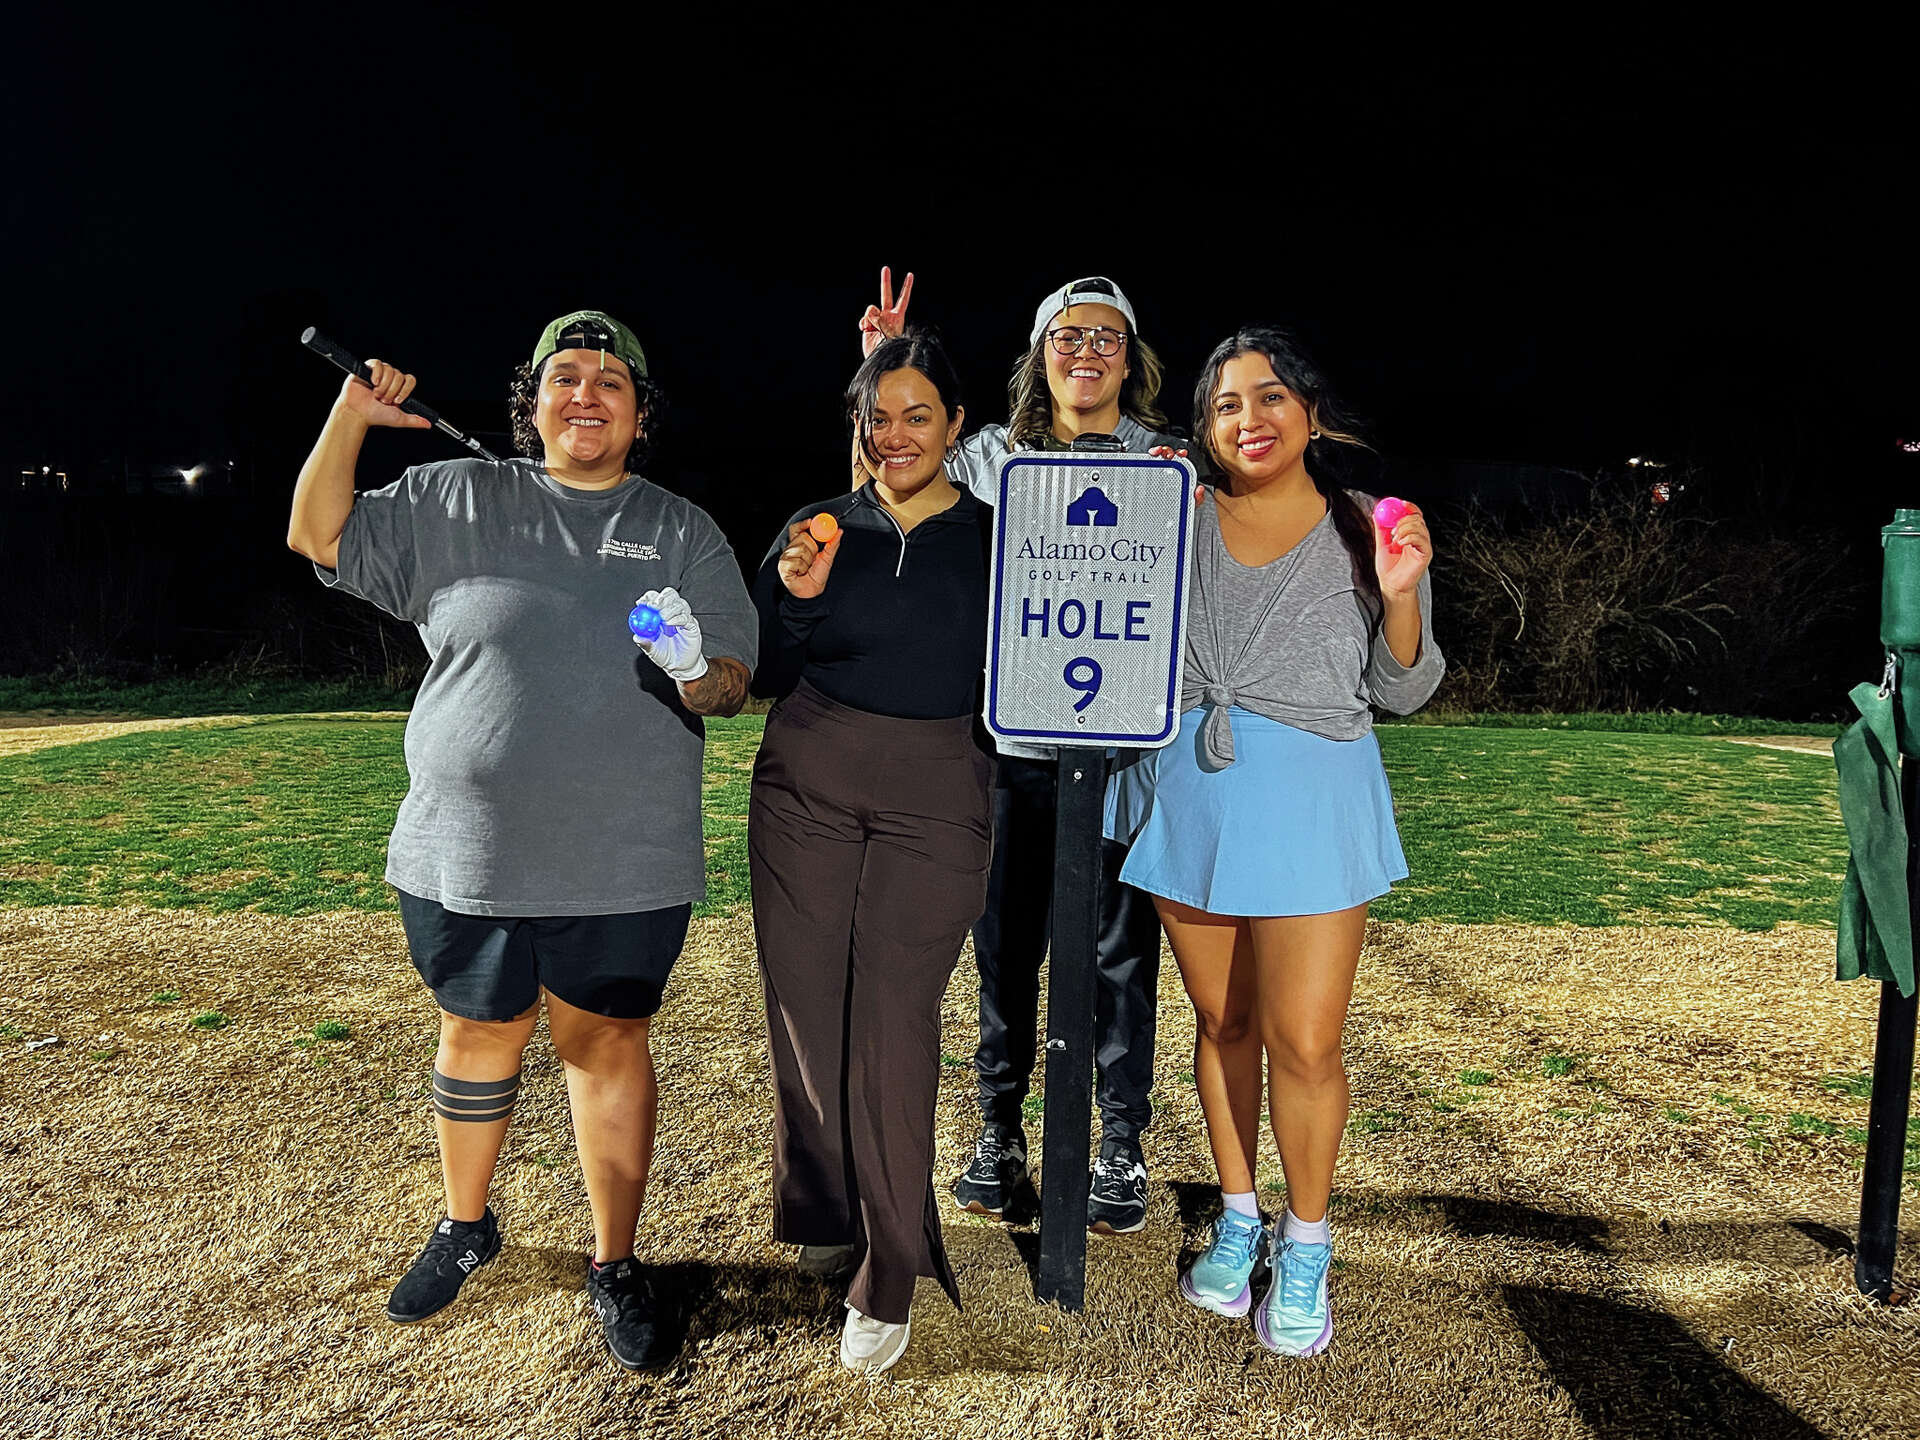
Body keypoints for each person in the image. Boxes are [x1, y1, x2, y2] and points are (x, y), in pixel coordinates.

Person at [286, 309, 756, 1372]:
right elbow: (317, 536)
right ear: (532, 402)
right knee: (477, 1031)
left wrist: (693, 666)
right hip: (466, 850)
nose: (585, 394)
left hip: (623, 857)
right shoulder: (455, 496)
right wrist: (350, 416)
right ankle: (466, 1226)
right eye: (565, 378)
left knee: (606, 1048)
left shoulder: (682, 528)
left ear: (641, 414)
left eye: (609, 382)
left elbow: (732, 682)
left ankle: (615, 1263)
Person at [1105, 326, 1442, 1357]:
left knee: (1307, 1041)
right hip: (1191, 787)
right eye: (1224, 405)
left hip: (1313, 793)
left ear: (1309, 411)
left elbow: (1406, 688)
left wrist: (1401, 594)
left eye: (1268, 397)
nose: (1246, 419)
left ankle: (1307, 1239)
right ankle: (1240, 1209)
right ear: (1203, 428)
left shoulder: (1362, 525)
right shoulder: (1179, 516)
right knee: (1223, 1020)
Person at [858, 270, 1186, 1235]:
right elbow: (883, 483)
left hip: (1121, 756)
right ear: (1040, 356)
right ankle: (998, 1130)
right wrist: (881, 365)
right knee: (1004, 955)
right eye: (1066, 336)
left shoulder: (1167, 458)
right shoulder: (995, 456)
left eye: (1106, 337)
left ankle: (1119, 1141)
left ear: (1132, 356)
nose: (1086, 352)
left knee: (1121, 958)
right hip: (1010, 752)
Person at [748, 331, 994, 1374]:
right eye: (877, 418)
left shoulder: (999, 537)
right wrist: (796, 598)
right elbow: (760, 667)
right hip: (808, 773)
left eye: (918, 416)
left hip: (940, 787)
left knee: (894, 1017)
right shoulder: (817, 528)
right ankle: (829, 1209)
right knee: (808, 1008)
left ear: (958, 428)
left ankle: (889, 1267)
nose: (895, 436)